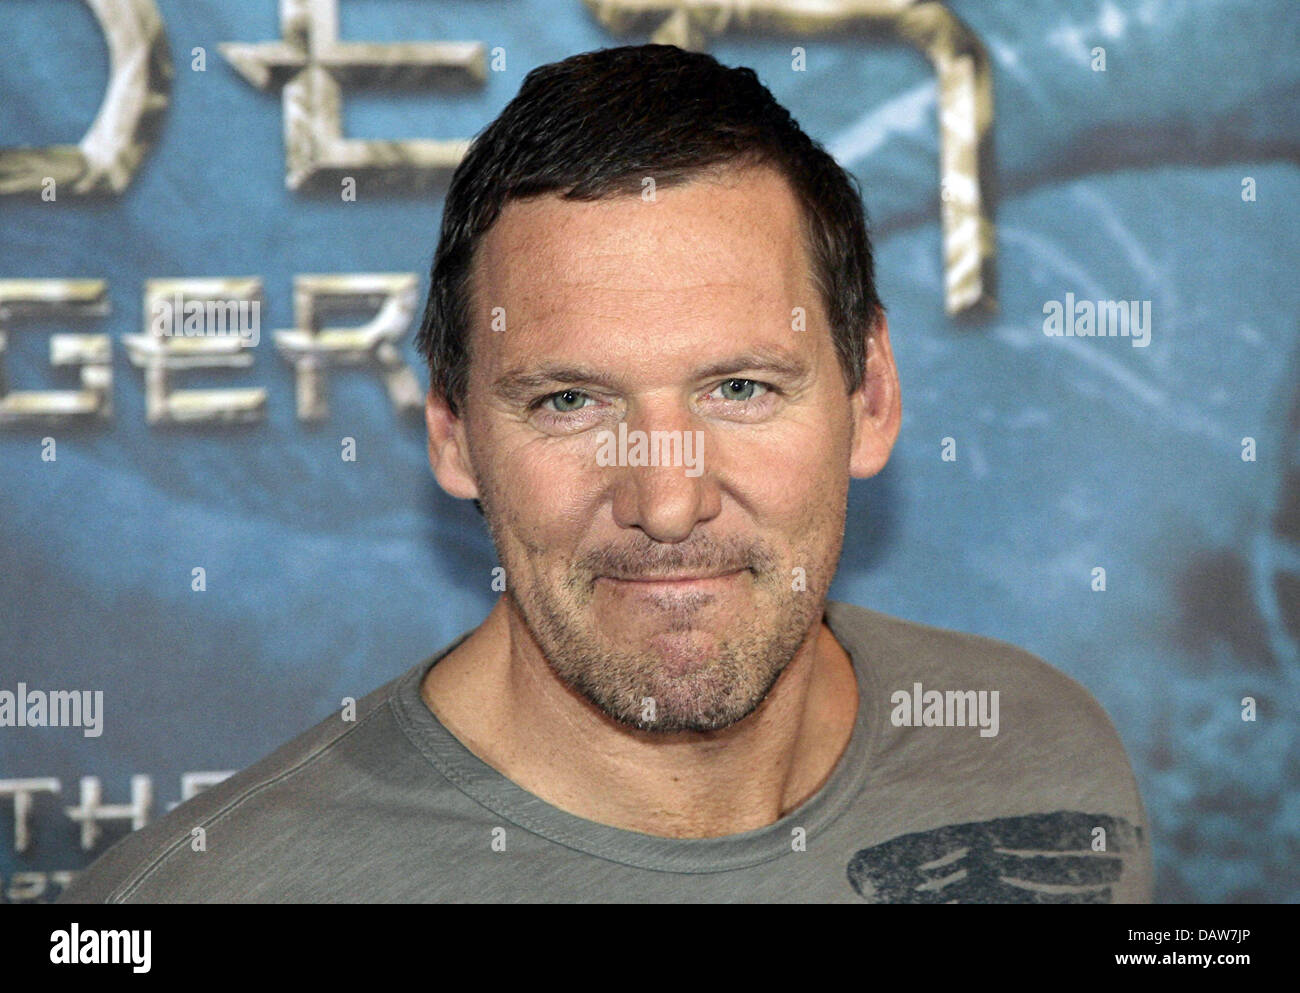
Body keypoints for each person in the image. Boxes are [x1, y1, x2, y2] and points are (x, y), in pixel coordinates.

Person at [61, 44, 1153, 903]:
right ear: (449, 432)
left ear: (870, 399)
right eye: (570, 403)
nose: (666, 503)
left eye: (740, 389)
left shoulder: (1039, 747)